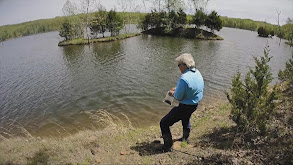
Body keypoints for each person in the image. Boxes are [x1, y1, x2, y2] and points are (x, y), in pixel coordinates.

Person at [160, 53, 204, 152]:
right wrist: (178, 89)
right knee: (185, 118)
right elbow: (192, 88)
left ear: (184, 65)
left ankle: (167, 146)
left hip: (185, 106)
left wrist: (172, 93)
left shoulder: (184, 78)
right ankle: (185, 138)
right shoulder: (197, 72)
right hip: (194, 104)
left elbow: (178, 96)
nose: (178, 67)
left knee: (164, 123)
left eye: (179, 65)